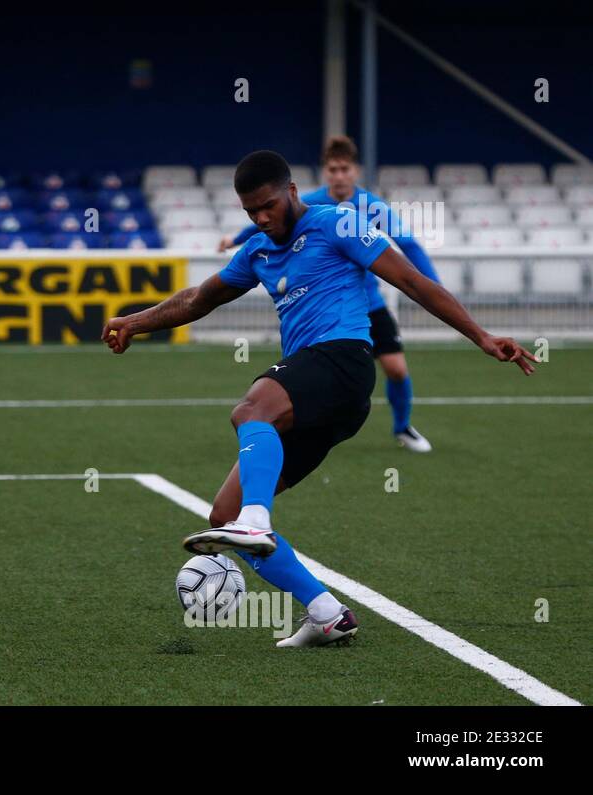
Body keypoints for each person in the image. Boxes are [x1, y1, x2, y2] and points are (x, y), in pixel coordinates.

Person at [104, 151, 536, 647]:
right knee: (223, 516)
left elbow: (412, 281)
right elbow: (198, 299)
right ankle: (327, 614)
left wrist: (480, 336)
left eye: (267, 206)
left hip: (343, 362)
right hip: (320, 397)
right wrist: (133, 321)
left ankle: (257, 520)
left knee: (251, 409)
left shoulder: (338, 224)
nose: (261, 218)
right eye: (250, 212)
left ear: (291, 192)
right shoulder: (257, 252)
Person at [219, 136, 439, 452]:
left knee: (396, 369)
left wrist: (434, 284)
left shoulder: (371, 207)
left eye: (344, 169)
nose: (339, 175)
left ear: (355, 171)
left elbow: (409, 245)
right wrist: (235, 238)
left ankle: (403, 427)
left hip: (368, 305)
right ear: (325, 171)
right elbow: (262, 220)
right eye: (332, 169)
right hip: (323, 313)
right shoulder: (310, 201)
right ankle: (299, 428)